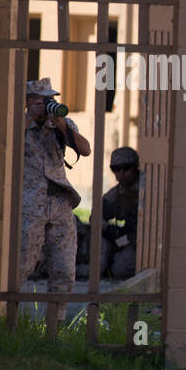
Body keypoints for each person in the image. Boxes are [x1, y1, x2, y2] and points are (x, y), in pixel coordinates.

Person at [19, 78, 89, 293]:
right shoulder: (19, 123)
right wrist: (29, 117)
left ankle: (55, 320)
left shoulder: (59, 124)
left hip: (60, 201)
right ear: (28, 101)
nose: (46, 104)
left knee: (64, 267)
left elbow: (85, 149)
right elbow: (3, 145)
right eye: (40, 99)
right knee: (22, 262)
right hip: (29, 202)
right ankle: (4, 312)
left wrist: (62, 126)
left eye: (48, 99)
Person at [101, 146, 142, 279]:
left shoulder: (146, 187)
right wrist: (111, 231)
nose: (121, 173)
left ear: (135, 167)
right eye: (116, 169)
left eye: (125, 168)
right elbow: (96, 217)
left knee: (122, 269)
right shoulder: (116, 193)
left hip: (146, 238)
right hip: (129, 238)